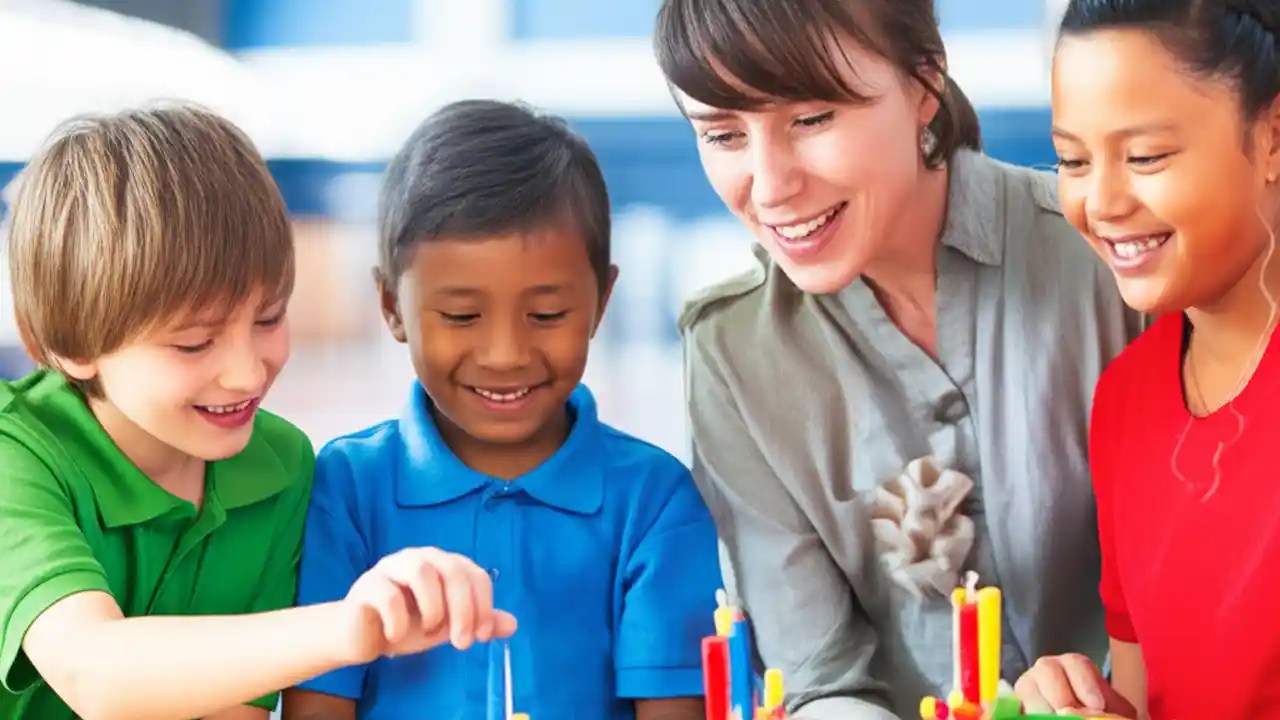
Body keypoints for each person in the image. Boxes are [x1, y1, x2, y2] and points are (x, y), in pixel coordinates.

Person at [653, 0, 1146, 717]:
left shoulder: (1107, 255)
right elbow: (819, 680)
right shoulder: (732, 351)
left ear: (925, 85)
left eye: (812, 119)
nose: (769, 184)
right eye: (723, 134)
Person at [0, 103, 513, 720]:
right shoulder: (17, 456)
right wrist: (349, 627)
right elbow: (96, 673)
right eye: (193, 342)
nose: (247, 372)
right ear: (70, 347)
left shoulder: (278, 465)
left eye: (269, 318)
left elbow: (231, 709)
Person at [281, 99, 721, 720]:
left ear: (602, 301)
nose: (507, 354)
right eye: (461, 316)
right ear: (390, 306)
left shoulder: (651, 501)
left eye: (547, 315)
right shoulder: (346, 488)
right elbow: (316, 705)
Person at [1014, 2, 1280, 718]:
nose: (1100, 203)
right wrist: (1084, 706)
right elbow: (1146, 693)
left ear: (1273, 136)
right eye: (1070, 160)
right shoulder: (1125, 399)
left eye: (1145, 157)